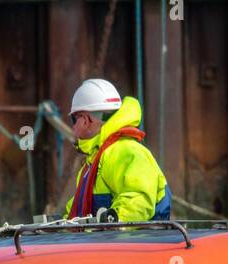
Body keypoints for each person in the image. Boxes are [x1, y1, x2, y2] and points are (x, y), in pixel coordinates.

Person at [63, 78, 172, 222]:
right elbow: (82, 204)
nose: (73, 127)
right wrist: (63, 222)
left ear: (85, 120)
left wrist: (112, 219)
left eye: (74, 120)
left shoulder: (126, 152)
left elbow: (139, 199)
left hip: (137, 240)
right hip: (108, 241)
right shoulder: (97, 158)